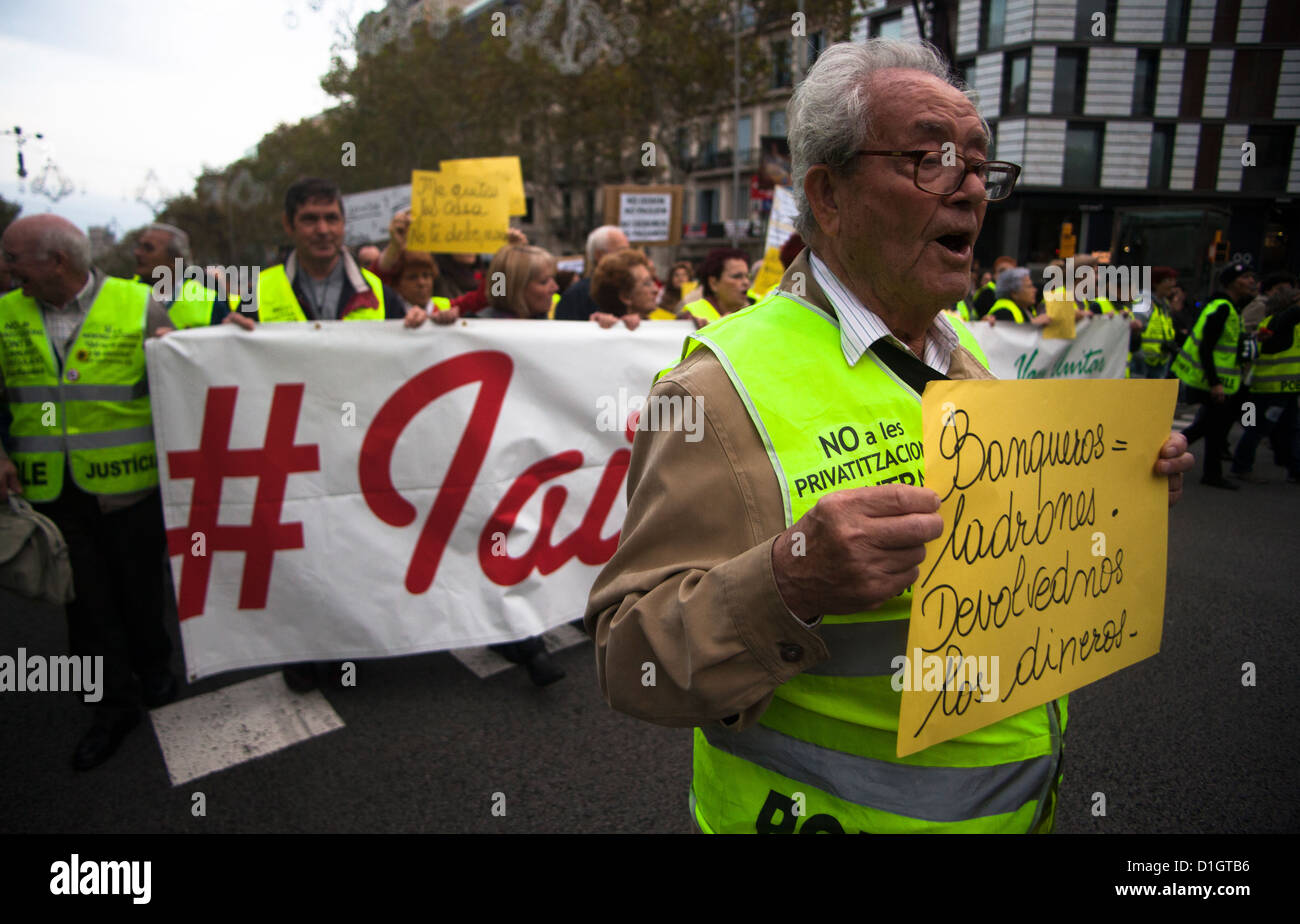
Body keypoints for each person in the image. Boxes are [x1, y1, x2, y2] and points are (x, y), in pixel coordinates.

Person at [584, 38, 1193, 835]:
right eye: (932, 160)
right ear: (828, 195)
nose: (972, 194)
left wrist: (1120, 490)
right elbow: (631, 663)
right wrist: (790, 581)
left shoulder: (961, 360)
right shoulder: (711, 390)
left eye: (980, 168)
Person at [229, 177, 424, 691]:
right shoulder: (255, 290)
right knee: (298, 551)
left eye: (331, 218)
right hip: (288, 446)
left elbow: (416, 348)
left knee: (351, 544)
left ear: (344, 224)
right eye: (310, 219)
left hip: (355, 444)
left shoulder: (380, 291)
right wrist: (216, 338)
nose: (323, 230)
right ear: (290, 225)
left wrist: (432, 323)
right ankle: (304, 648)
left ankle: (351, 642)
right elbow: (220, 357)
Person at [0, 215, 179, 769]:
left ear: (56, 261)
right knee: (86, 607)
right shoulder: (4, 314)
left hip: (132, 488)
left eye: (13, 257)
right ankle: (109, 708)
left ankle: (155, 672)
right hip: (52, 494)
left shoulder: (138, 304)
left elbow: (179, 386)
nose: (5, 268)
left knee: (143, 591)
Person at [412, 243, 567, 685]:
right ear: (519, 286)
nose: (555, 288)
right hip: (486, 457)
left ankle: (520, 631)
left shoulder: (556, 328)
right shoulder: (471, 328)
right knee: (498, 535)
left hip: (533, 456)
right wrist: (438, 326)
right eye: (543, 280)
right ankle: (525, 640)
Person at [1172, 263, 1260, 489]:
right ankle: (1170, 453)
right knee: (1210, 425)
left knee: (1212, 426)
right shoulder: (1223, 308)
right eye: (1246, 277)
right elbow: (1207, 347)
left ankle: (1210, 471)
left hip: (1220, 381)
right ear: (1232, 282)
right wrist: (1215, 383)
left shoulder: (1229, 307)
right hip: (1212, 382)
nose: (1251, 281)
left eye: (1252, 277)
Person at [1231, 283, 1300, 483]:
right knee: (1258, 427)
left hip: (1283, 387)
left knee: (1288, 428)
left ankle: (1293, 467)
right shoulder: (1280, 321)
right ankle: (1241, 465)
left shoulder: (1280, 322)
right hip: (1272, 387)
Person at [132, 222, 233, 328]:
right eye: (139, 246)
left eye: (148, 248)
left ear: (175, 260)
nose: (137, 253)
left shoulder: (210, 302)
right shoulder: (123, 294)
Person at [553, 226, 630, 321]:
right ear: (600, 255)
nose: (629, 257)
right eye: (622, 251)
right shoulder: (575, 297)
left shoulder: (633, 290)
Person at [590, 249, 667, 328]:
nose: (656, 290)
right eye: (647, 283)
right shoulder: (602, 328)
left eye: (652, 281)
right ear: (625, 296)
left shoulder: (663, 324)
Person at [1134, 266, 1180, 378]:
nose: (1172, 284)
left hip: (1160, 361)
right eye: (1168, 280)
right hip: (1142, 362)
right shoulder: (1144, 301)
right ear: (1155, 283)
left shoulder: (1165, 304)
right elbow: (1135, 326)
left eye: (1173, 280)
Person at [687, 247, 751, 321]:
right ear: (713, 283)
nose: (746, 282)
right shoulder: (691, 318)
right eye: (737, 276)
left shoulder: (755, 314)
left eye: (747, 276)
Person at [983, 266, 1050, 326]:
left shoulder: (1026, 308)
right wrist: (1035, 323)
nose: (1034, 290)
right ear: (1014, 293)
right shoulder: (1003, 312)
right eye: (1029, 286)